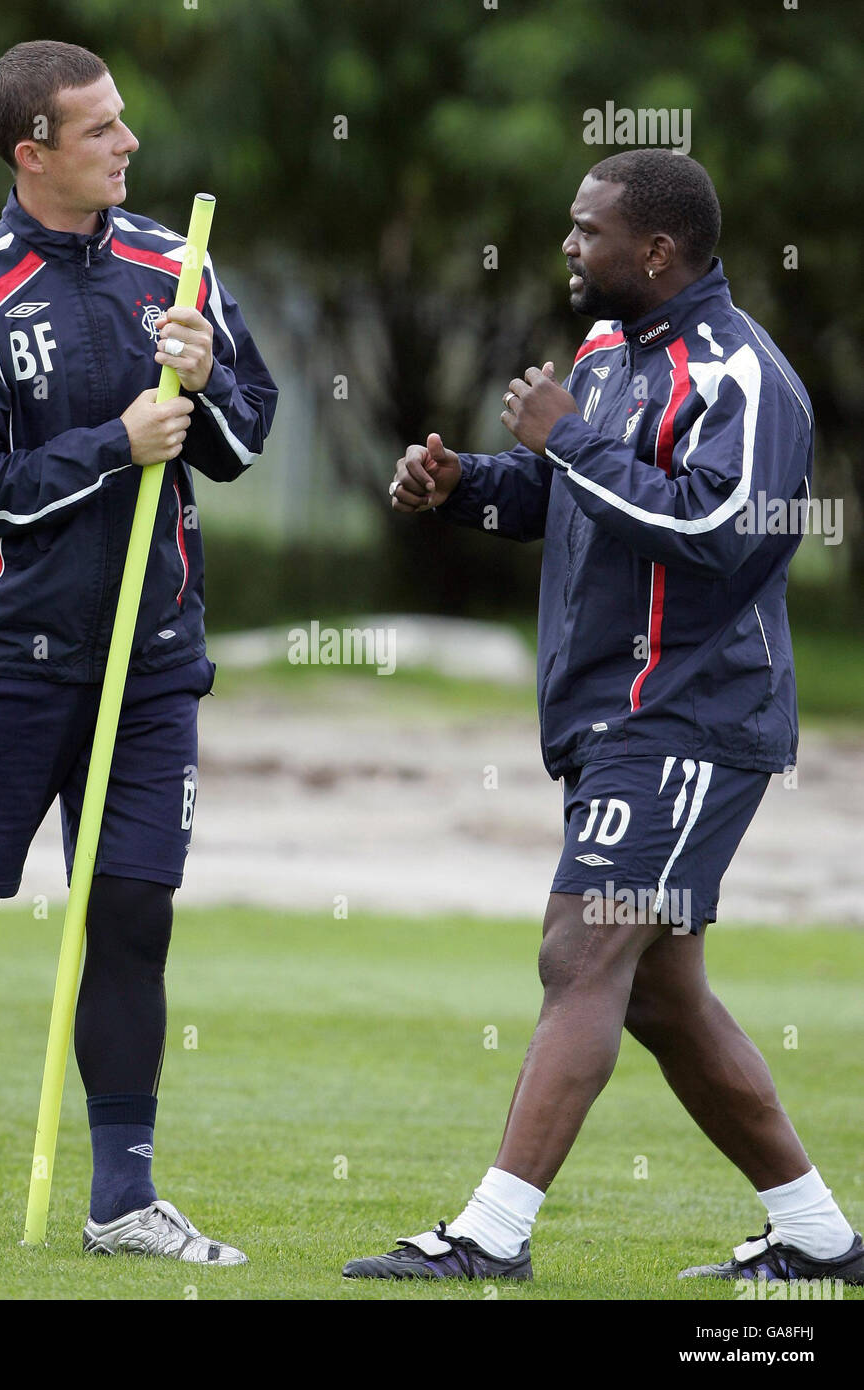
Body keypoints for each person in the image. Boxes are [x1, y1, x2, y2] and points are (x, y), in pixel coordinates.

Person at [343, 149, 861, 1286]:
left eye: (586, 232)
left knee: (579, 952)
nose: (568, 249)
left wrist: (566, 436)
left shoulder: (742, 378)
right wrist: (469, 481)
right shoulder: (604, 353)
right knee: (662, 996)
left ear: (656, 251)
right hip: (609, 716)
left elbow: (720, 529)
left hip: (687, 715)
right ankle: (820, 1240)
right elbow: (569, 493)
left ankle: (489, 1235)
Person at [0, 40, 277, 1264]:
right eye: (99, 129)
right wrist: (118, 441)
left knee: (134, 910)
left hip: (152, 659)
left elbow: (245, 439)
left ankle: (124, 1198)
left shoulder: (177, 263)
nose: (128, 143)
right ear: (30, 150)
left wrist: (205, 389)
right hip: (6, 658)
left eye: (124, 122)